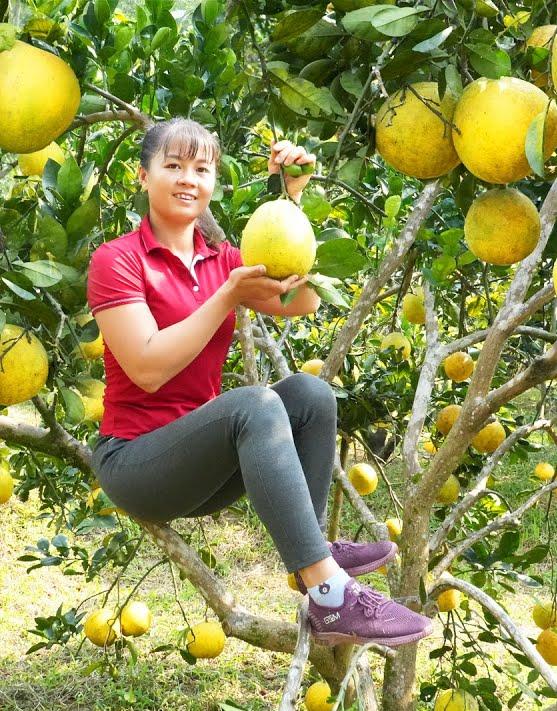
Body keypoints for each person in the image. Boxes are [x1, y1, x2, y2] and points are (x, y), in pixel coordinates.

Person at [86, 117, 433, 647]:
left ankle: (312, 553)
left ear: (213, 181)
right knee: (254, 404)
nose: (188, 179)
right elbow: (147, 369)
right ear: (143, 175)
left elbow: (302, 300)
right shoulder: (118, 260)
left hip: (202, 468)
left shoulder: (223, 260)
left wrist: (289, 201)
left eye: (202, 169)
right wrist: (225, 297)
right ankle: (331, 596)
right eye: (173, 165)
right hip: (136, 465)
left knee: (310, 394)